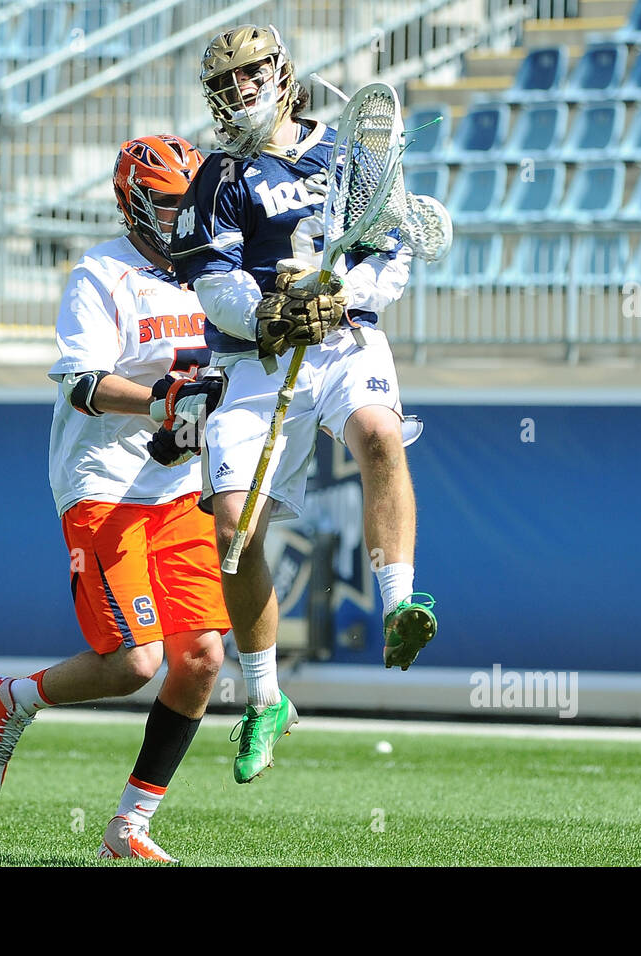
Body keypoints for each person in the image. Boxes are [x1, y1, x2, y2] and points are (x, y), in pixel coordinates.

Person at [168, 24, 438, 785]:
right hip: (255, 359)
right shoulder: (219, 175)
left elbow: (393, 252)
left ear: (281, 74)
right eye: (227, 82)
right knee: (235, 528)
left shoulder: (347, 155)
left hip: (345, 339)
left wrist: (342, 294)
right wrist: (270, 314)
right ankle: (264, 697)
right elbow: (214, 282)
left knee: (379, 435)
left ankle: (399, 604)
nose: (241, 90)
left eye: (252, 74)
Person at [0, 134, 229, 863]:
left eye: (191, 204)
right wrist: (163, 402)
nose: (184, 218)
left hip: (179, 484)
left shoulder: (218, 270)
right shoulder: (100, 273)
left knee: (202, 657)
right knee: (133, 663)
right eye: (170, 205)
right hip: (106, 484)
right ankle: (11, 698)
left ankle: (129, 826)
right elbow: (84, 386)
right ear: (134, 203)